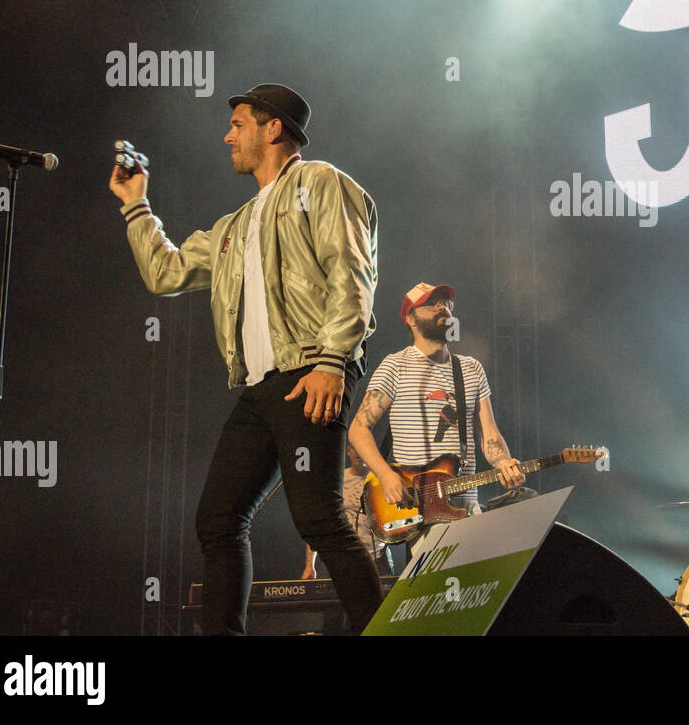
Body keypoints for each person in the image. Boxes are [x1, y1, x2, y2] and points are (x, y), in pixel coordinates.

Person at [110, 83, 384, 635]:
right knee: (218, 520)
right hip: (261, 389)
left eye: (238, 124)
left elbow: (351, 274)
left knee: (318, 519)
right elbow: (165, 274)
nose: (227, 135)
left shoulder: (320, 183)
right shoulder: (233, 226)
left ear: (273, 128)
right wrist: (136, 204)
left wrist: (333, 362)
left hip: (311, 371)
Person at [347, 283, 524, 542]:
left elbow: (488, 434)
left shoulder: (471, 369)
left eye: (446, 302)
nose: (442, 307)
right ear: (410, 318)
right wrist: (385, 476)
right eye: (431, 304)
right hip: (418, 508)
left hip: (465, 505)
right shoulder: (395, 365)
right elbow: (358, 429)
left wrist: (503, 464)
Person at [303, 443, 392, 578]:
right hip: (344, 559)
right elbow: (318, 522)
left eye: (361, 449)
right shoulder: (338, 481)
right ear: (348, 451)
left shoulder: (382, 479)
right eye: (354, 449)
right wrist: (310, 565)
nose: (357, 453)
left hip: (378, 559)